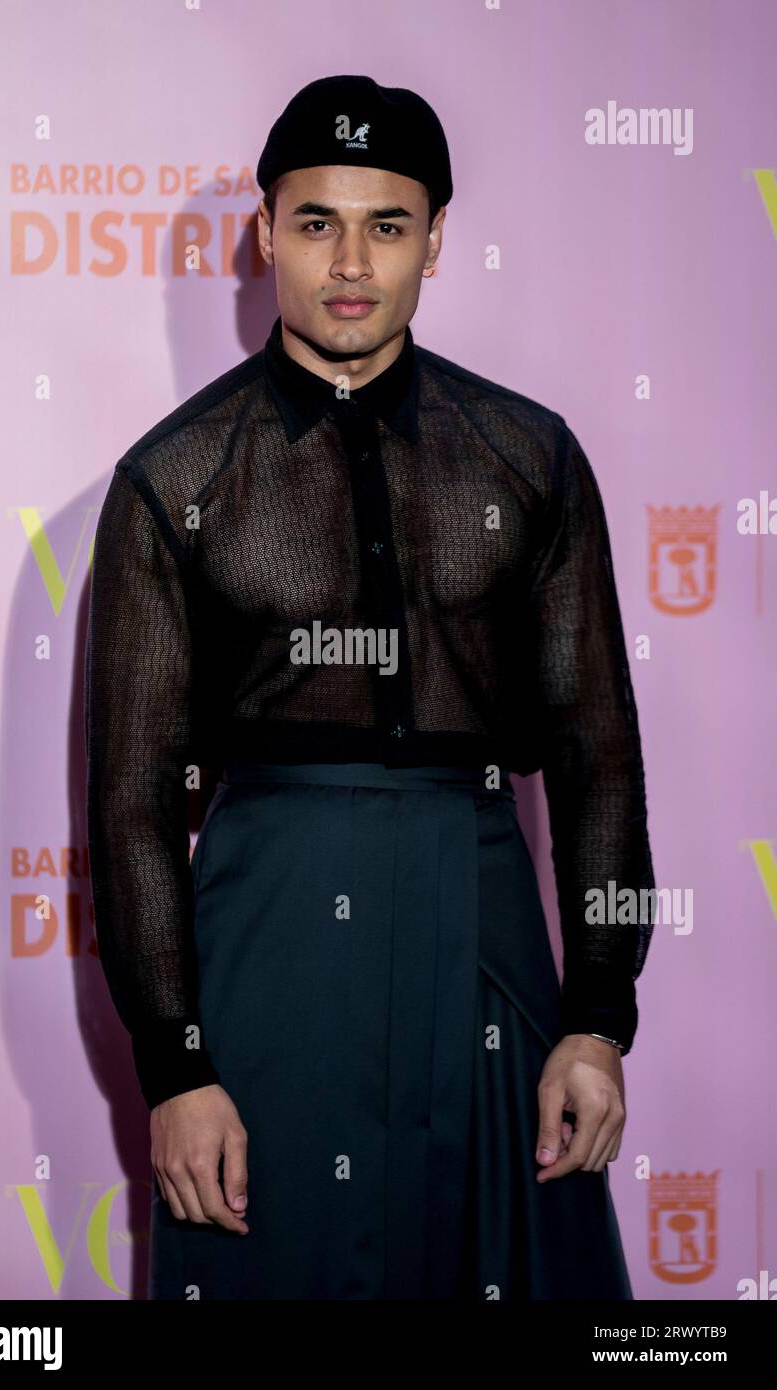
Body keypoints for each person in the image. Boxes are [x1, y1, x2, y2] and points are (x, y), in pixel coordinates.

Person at [84, 74, 656, 1301]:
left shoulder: (528, 454)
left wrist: (597, 1015)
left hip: (484, 932)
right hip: (265, 943)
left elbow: (596, 747)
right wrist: (177, 1067)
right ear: (264, 232)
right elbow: (132, 802)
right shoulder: (172, 475)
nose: (349, 262)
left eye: (386, 226)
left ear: (436, 239)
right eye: (315, 222)